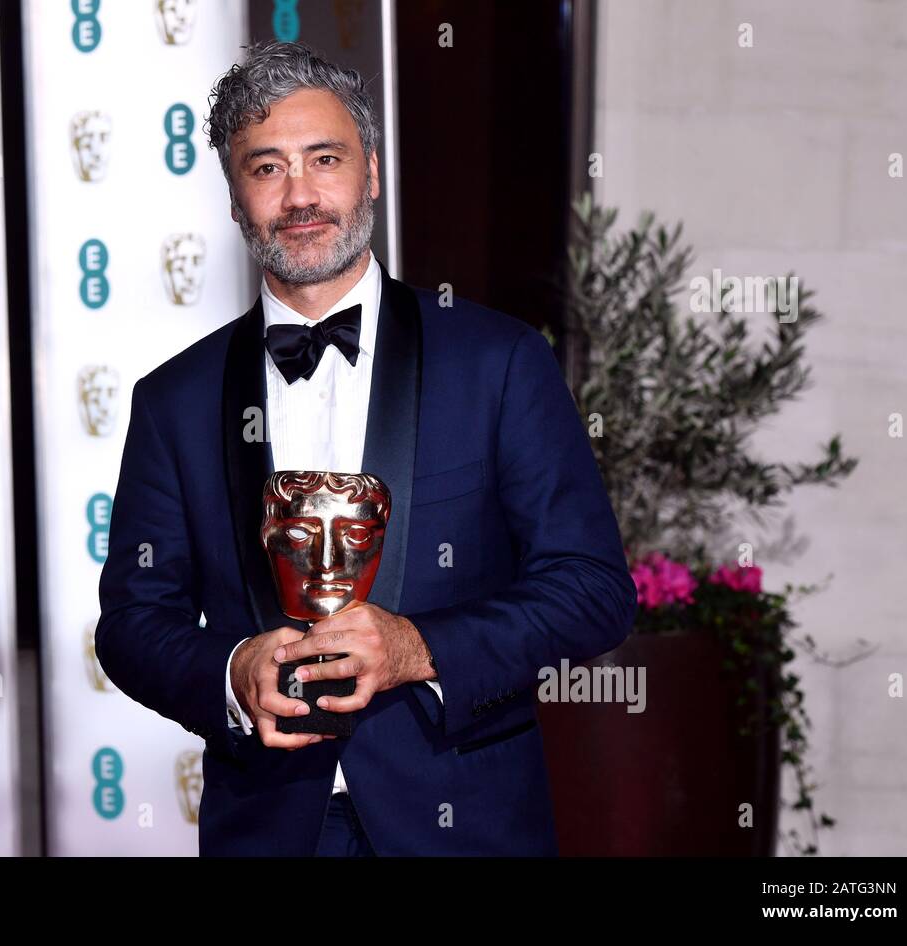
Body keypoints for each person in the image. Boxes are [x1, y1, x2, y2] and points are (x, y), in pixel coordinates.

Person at [95, 40, 636, 856]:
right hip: (267, 827)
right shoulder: (174, 399)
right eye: (267, 167)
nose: (301, 194)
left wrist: (421, 647)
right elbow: (134, 624)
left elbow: (593, 590)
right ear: (236, 198)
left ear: (372, 172)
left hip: (466, 823)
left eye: (325, 158)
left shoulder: (498, 361)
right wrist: (232, 672)